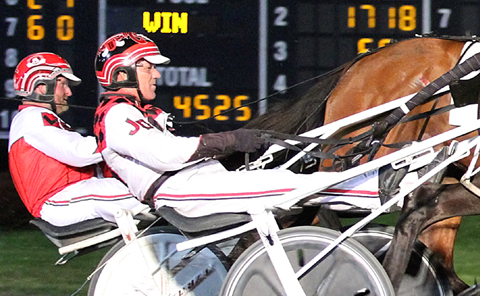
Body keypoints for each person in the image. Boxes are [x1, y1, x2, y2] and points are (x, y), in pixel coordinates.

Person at [92, 32, 387, 218]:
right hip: (180, 190)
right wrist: (232, 140)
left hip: (194, 181)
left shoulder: (134, 112)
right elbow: (167, 155)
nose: (156, 74)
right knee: (291, 186)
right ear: (121, 74)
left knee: (286, 176)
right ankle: (384, 191)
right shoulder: (118, 115)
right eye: (148, 67)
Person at [8, 52, 147, 227]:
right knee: (151, 189)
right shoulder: (32, 116)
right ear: (42, 87)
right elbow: (79, 152)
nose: (69, 92)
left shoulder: (32, 118)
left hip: (70, 196)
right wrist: (130, 137)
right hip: (61, 199)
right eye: (63, 84)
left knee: (150, 186)